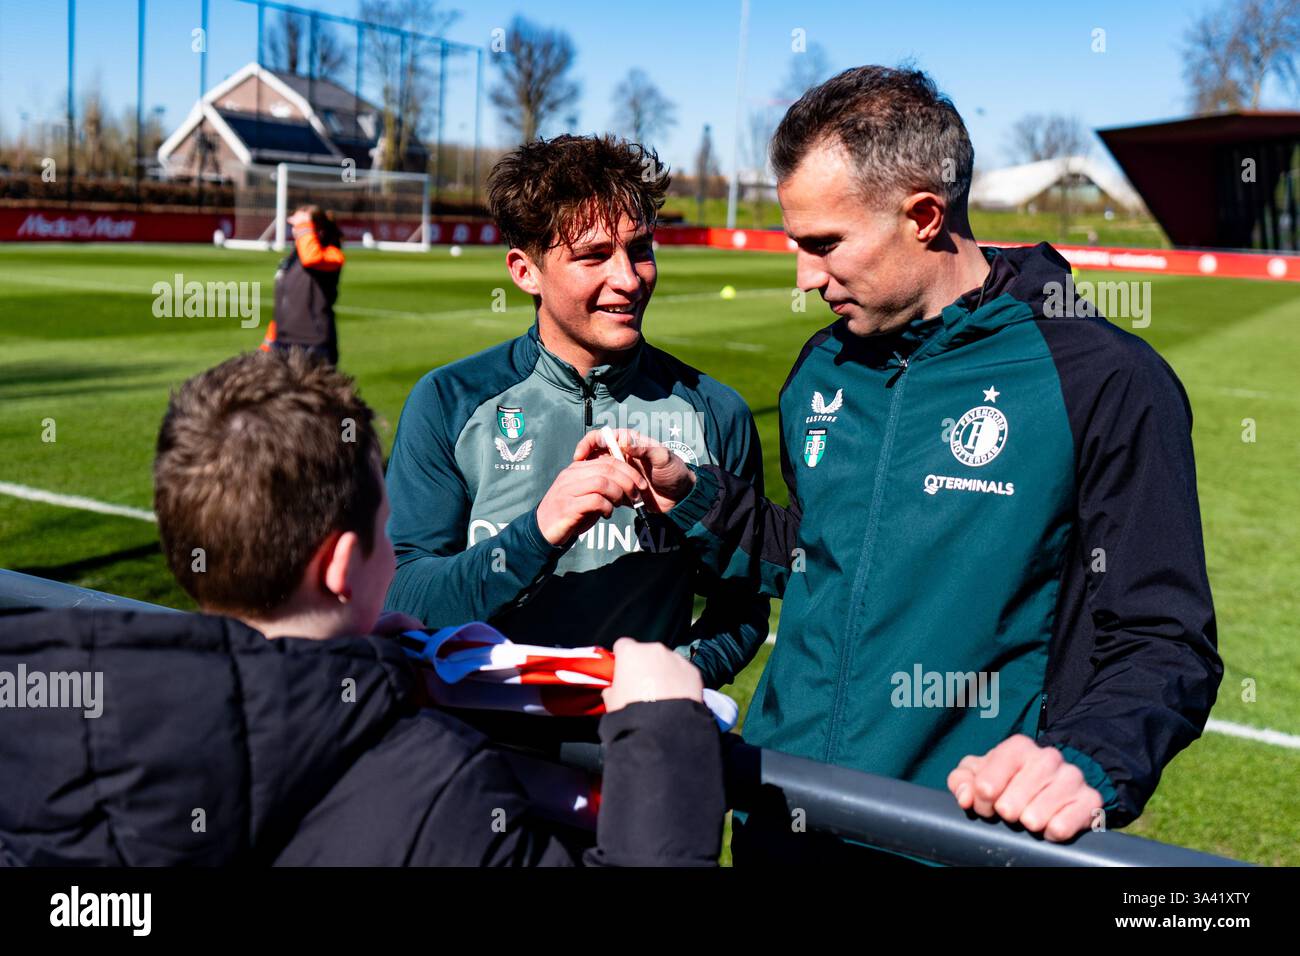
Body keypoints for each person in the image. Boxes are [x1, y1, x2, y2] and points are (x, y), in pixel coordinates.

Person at [577, 66, 1222, 863]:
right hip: (781, 813)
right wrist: (698, 500)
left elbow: (1164, 638)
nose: (806, 279)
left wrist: (1089, 761)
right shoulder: (824, 366)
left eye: (824, 245)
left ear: (923, 214)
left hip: (952, 841)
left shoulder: (1103, 379)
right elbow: (820, 553)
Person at [0, 350, 725, 866]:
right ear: (343, 567)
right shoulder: (445, 793)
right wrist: (660, 737)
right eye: (386, 532)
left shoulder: (41, 721)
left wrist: (372, 664)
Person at [383, 134, 770, 689]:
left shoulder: (715, 412)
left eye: (640, 249)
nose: (629, 280)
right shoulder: (449, 401)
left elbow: (746, 599)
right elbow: (405, 599)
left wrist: (678, 675)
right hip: (481, 745)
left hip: (637, 744)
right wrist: (537, 534)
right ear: (525, 271)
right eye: (593, 256)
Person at [260, 205, 345, 365]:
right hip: (282, 343)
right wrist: (269, 340)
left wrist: (305, 225)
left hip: (314, 345)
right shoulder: (292, 259)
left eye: (300, 225)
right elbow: (283, 305)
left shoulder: (332, 255)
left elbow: (311, 258)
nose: (295, 229)